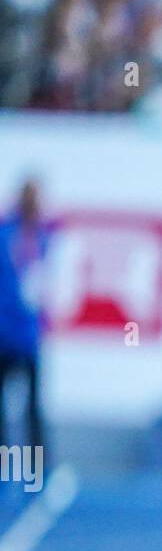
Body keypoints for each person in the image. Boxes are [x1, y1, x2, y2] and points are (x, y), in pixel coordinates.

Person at [0, 179, 55, 466]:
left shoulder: (41, 237)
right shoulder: (10, 235)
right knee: (17, 408)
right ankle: (21, 468)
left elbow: (42, 289)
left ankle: (38, 468)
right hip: (9, 335)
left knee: (33, 408)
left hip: (26, 337)